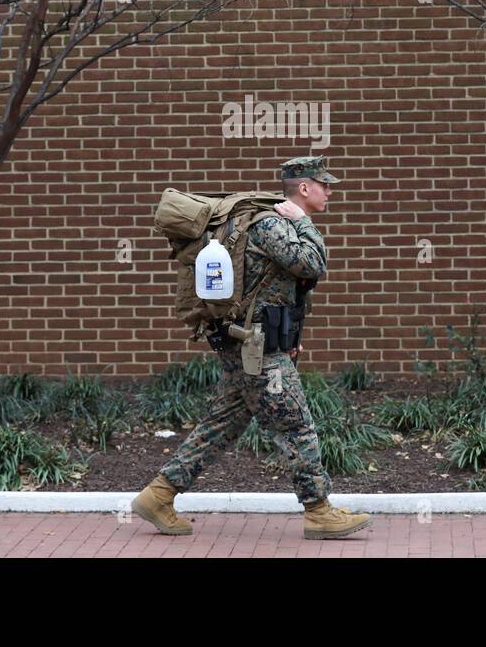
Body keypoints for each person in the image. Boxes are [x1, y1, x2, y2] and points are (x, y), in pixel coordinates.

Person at [130, 155, 373, 540]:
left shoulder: (270, 223)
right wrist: (302, 221)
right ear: (304, 188)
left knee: (222, 424)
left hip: (252, 344)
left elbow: (281, 289)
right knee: (297, 426)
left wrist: (291, 337)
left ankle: (158, 496)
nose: (330, 191)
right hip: (256, 350)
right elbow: (311, 264)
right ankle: (319, 511)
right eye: (325, 185)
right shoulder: (275, 224)